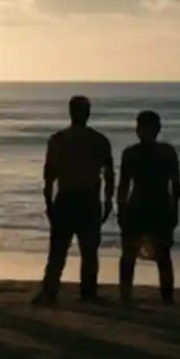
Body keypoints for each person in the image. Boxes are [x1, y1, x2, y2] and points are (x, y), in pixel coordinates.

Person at [33, 95, 115, 306]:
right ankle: (86, 293)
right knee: (87, 250)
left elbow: (49, 175)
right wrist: (108, 200)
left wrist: (49, 201)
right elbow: (109, 174)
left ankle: (51, 291)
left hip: (69, 198)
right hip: (85, 199)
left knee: (60, 250)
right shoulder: (97, 140)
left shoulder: (59, 139)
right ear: (87, 113)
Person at [117, 111, 180, 304]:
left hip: (140, 205)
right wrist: (175, 208)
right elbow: (176, 186)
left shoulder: (132, 153)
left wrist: (121, 208)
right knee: (160, 255)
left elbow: (123, 185)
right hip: (158, 205)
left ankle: (126, 295)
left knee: (132, 254)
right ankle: (166, 296)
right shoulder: (167, 152)